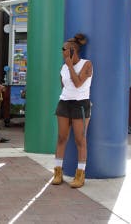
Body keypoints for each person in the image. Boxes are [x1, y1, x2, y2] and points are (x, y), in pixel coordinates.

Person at [52, 33, 93, 188]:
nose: (62, 52)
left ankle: (80, 175)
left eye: (64, 49)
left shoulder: (87, 64)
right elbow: (64, 85)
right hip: (64, 103)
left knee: (80, 140)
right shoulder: (63, 67)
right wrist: (67, 66)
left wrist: (70, 66)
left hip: (80, 104)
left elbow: (77, 84)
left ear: (72, 51)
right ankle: (57, 172)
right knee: (62, 138)